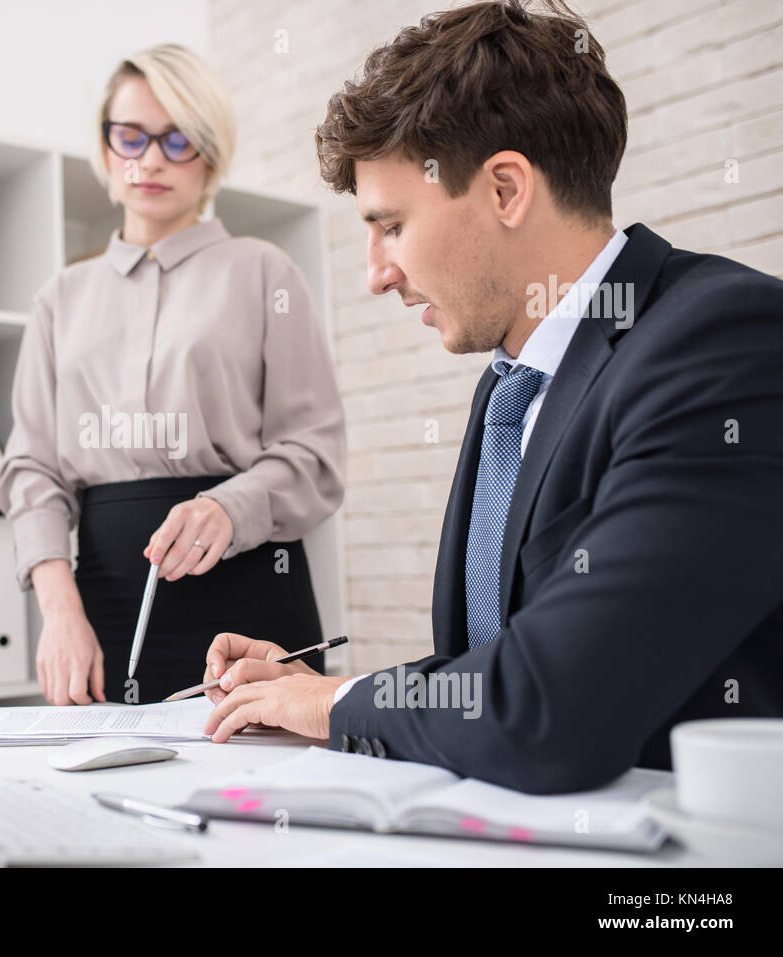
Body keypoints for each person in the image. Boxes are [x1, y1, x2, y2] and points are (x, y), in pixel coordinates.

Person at [200, 0, 783, 794]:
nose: (376, 273)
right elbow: (505, 664)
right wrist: (304, 692)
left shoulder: (723, 342)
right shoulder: (510, 387)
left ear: (506, 189)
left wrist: (334, 701)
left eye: (393, 225)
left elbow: (553, 706)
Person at [0, 44, 346, 706]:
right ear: (105, 150)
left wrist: (229, 505)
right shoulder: (59, 298)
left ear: (211, 155)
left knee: (263, 792)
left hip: (251, 602)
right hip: (101, 609)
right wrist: (59, 612)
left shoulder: (265, 272)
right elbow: (32, 470)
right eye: (130, 136)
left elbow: (316, 454)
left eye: (177, 139)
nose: (150, 158)